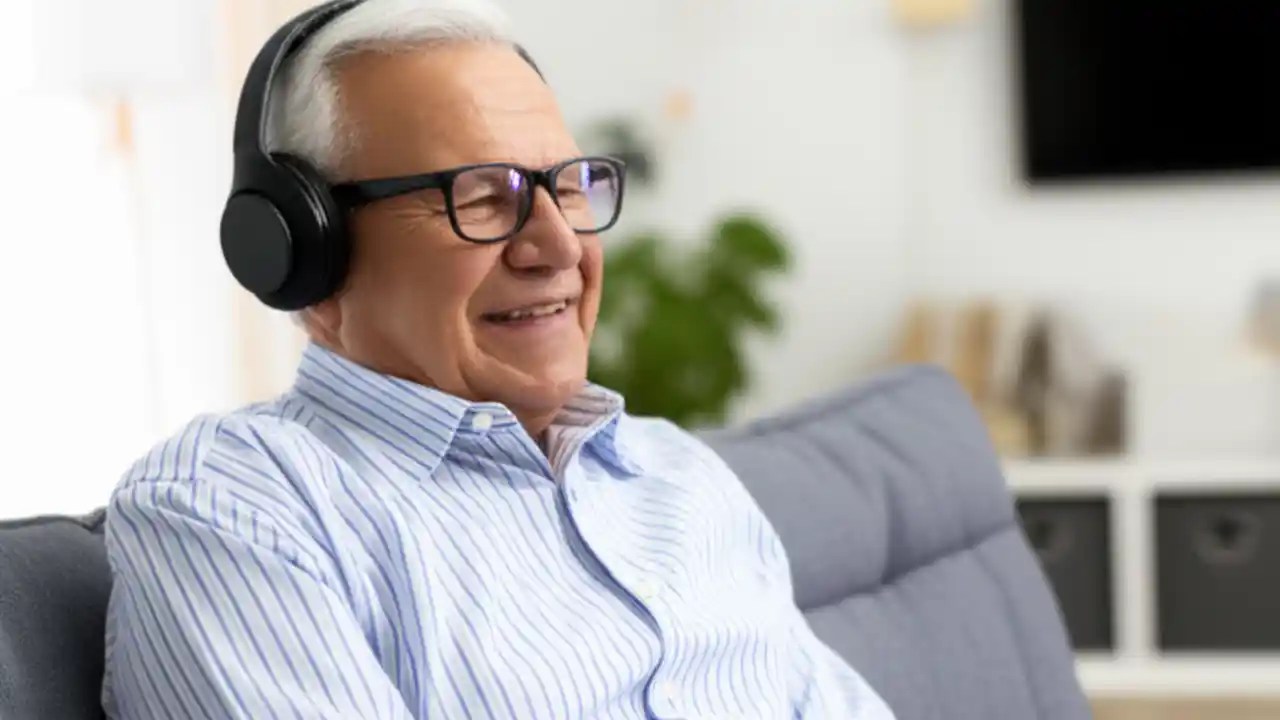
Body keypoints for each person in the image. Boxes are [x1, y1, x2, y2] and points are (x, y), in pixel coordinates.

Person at [101, 0, 896, 717]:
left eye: (572, 186)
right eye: (482, 196)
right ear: (306, 251)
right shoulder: (233, 509)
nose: (559, 246)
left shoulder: (678, 476)